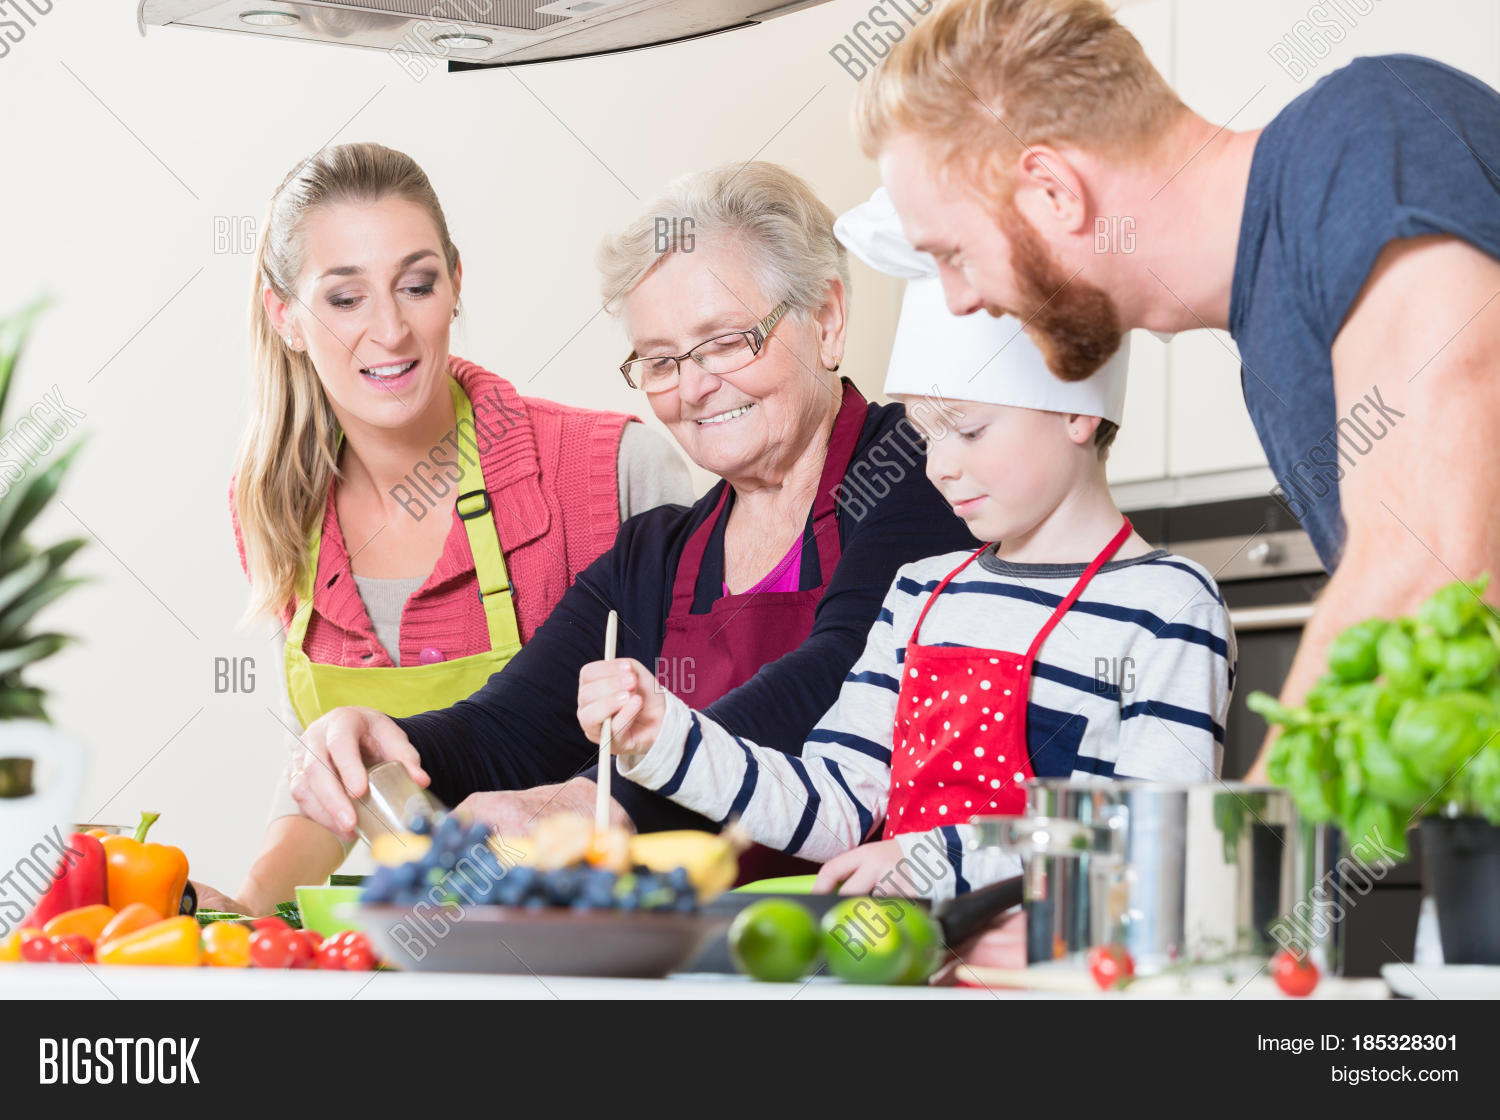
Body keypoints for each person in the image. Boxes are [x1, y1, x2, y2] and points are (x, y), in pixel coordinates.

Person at [278, 162, 978, 885]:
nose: (697, 387)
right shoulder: (658, 556)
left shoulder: (923, 471)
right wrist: (382, 739)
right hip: (698, 964)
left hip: (870, 949)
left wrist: (600, 801)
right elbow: (513, 727)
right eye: (661, 360)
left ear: (826, 318)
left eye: (728, 341)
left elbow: (839, 676)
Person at [853, 0, 1500, 781]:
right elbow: (1432, 683)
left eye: (956, 253)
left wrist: (1235, 864)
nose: (959, 300)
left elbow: (1431, 574)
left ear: (1054, 190)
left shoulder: (1367, 132)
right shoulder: (1265, 339)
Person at [577, 187, 1234, 901]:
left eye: (970, 429)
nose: (940, 464)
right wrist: (666, 734)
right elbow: (831, 807)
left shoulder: (1167, 605)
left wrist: (936, 860)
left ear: (1076, 408)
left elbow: (1152, 840)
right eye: (926, 432)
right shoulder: (923, 593)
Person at [207, 142, 692, 916]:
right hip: (434, 940)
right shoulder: (278, 502)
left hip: (609, 941)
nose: (391, 330)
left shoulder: (615, 471)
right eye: (344, 298)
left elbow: (730, 727)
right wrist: (242, 913)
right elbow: (343, 771)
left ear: (455, 286)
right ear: (286, 317)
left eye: (417, 285)